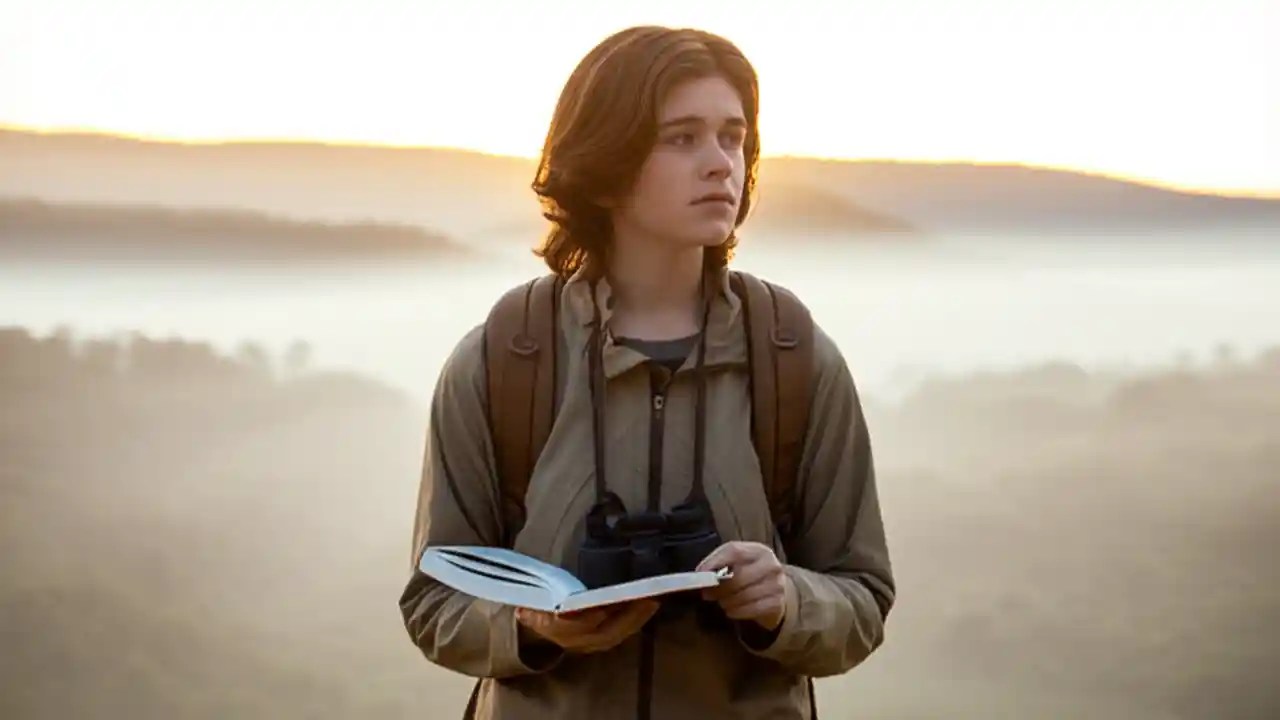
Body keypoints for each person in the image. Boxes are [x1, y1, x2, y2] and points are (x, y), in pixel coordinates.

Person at [399, 24, 894, 720]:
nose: (721, 162)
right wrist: (531, 628)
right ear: (605, 163)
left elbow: (864, 597)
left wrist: (787, 599)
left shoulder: (793, 359)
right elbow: (433, 601)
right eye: (682, 137)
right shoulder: (506, 359)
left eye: (732, 135)